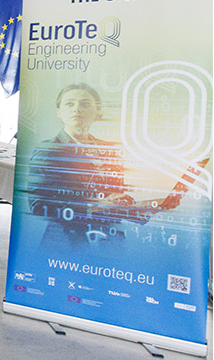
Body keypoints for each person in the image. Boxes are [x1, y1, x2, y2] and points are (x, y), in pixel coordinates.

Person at [27, 83, 141, 251]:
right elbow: (38, 205)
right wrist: (94, 206)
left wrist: (128, 204)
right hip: (67, 243)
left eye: (85, 104)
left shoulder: (110, 149)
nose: (77, 109)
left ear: (97, 112)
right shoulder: (48, 150)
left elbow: (115, 192)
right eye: (69, 104)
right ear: (59, 112)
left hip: (109, 239)